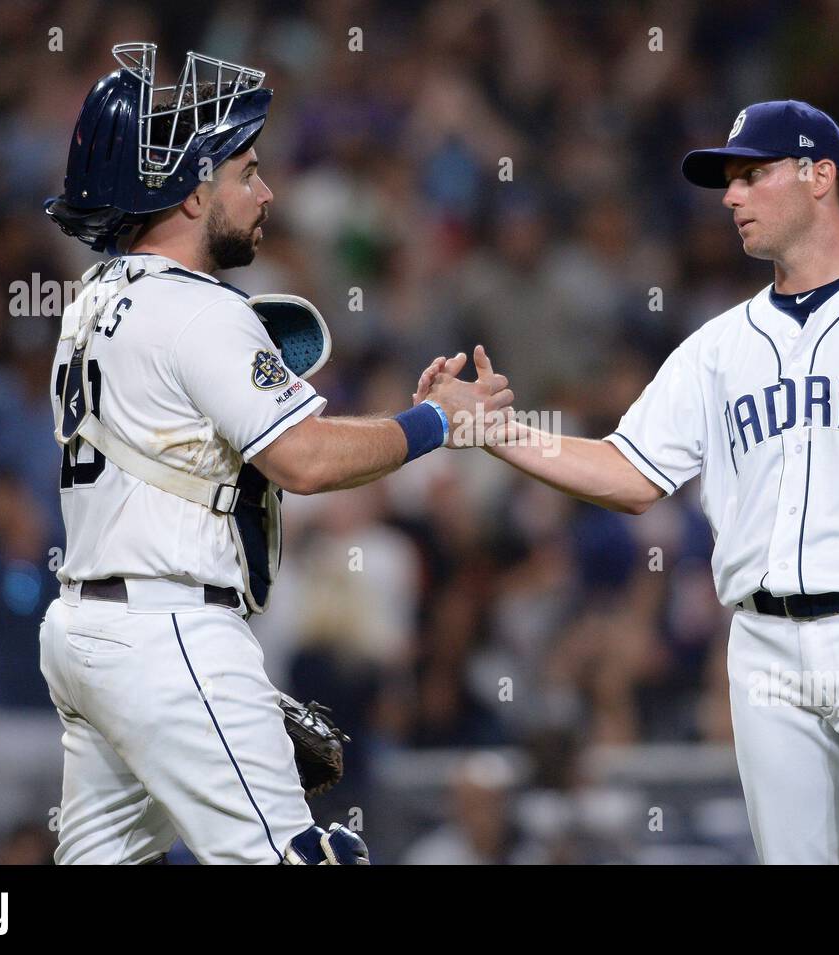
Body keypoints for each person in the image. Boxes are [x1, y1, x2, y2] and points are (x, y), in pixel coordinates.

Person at [440, 100, 839, 864]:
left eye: (751, 176)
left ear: (819, 175)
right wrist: (492, 429)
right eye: (728, 181)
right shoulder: (716, 347)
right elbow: (629, 473)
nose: (730, 197)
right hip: (762, 644)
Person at [38, 43, 511, 864]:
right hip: (170, 628)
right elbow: (306, 459)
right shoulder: (200, 311)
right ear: (190, 189)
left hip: (86, 632)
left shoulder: (90, 302)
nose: (266, 192)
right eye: (245, 171)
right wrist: (435, 421)